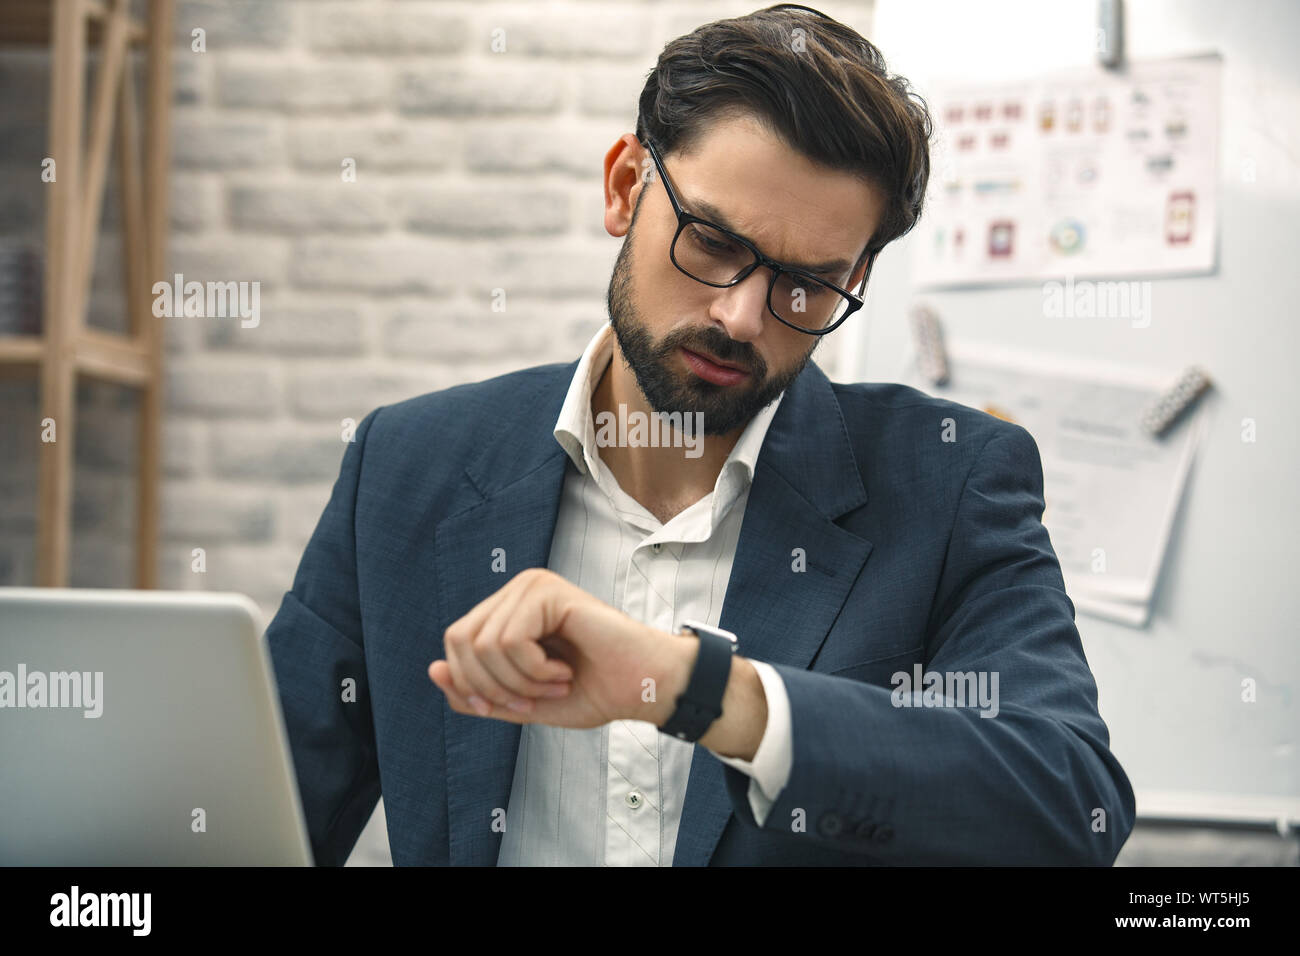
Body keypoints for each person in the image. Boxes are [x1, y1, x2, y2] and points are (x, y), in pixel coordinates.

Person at [266, 3, 1135, 866]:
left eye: (806, 284)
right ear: (623, 187)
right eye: (713, 241)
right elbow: (253, 815)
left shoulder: (948, 483)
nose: (743, 316)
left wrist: (699, 689)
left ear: (857, 276)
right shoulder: (407, 468)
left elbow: (1069, 806)